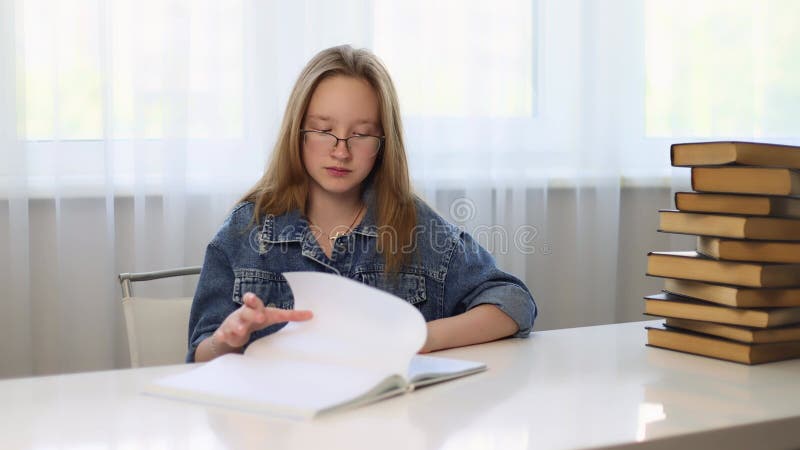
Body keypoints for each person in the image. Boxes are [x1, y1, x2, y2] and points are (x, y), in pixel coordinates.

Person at [187, 45, 537, 363]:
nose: (341, 150)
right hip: (282, 428)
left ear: (384, 143)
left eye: (362, 134)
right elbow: (200, 352)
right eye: (324, 130)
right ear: (297, 132)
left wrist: (422, 337)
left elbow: (514, 302)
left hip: (386, 424)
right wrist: (227, 340)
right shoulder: (245, 230)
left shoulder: (415, 226)